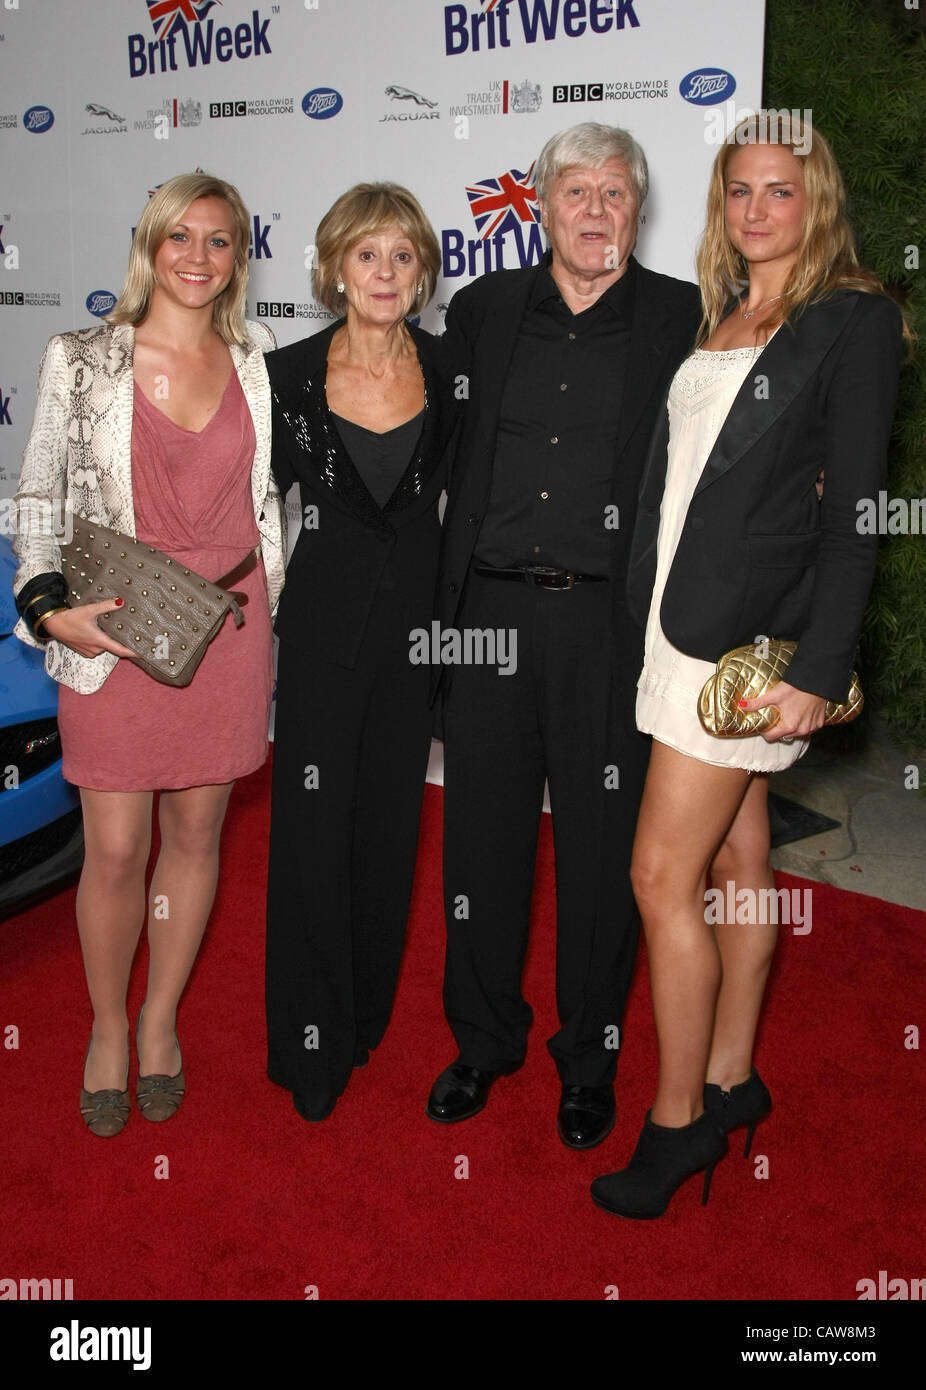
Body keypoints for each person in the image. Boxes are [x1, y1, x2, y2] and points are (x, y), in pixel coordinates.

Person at [591, 117, 906, 1218]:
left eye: (781, 188)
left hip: (745, 651)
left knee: (656, 877)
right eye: (738, 189)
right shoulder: (721, 311)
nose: (757, 209)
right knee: (733, 855)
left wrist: (820, 663)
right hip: (678, 623)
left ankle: (675, 1123)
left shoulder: (851, 318)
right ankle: (731, 1074)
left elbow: (854, 511)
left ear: (814, 197)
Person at [426, 123, 701, 1148]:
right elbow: (430, 449)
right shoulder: (484, 308)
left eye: (615, 191)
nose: (595, 209)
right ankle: (483, 1039)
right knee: (478, 843)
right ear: (539, 205)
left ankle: (589, 1058)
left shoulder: (679, 313)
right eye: (576, 190)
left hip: (609, 623)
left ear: (638, 206)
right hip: (485, 614)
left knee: (602, 855)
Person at [12, 172, 284, 1137]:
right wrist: (48, 609)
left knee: (198, 838)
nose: (198, 258)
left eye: (219, 241)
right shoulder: (80, 358)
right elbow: (36, 495)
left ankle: (161, 1021)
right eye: (181, 238)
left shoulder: (257, 360)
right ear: (150, 246)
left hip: (227, 628)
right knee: (117, 846)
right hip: (116, 629)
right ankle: (106, 1030)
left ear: (237, 258)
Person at [264, 183, 456, 1122]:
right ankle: (311, 1044)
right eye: (366, 254)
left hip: (416, 640)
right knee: (309, 835)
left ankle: (366, 1018)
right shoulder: (287, 374)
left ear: (422, 272)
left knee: (388, 834)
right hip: (321, 641)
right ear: (335, 267)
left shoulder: (455, 372)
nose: (384, 273)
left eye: (403, 256)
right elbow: (242, 508)